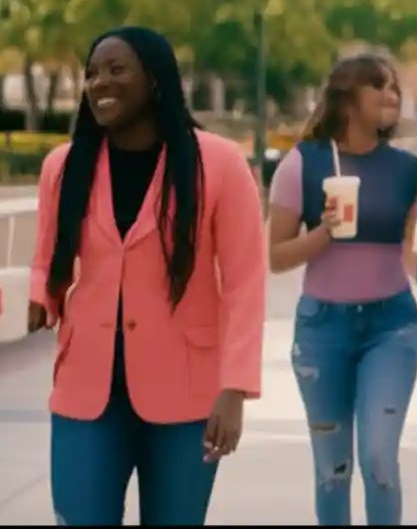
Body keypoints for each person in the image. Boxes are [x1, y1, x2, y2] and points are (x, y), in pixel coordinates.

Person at [27, 26, 267, 526]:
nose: (100, 83)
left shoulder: (216, 163)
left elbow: (245, 282)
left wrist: (235, 387)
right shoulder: (63, 167)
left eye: (117, 70)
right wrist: (31, 300)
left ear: (155, 80)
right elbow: (45, 263)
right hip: (86, 393)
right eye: (92, 73)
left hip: (186, 394)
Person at [267, 53, 417, 526]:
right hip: (322, 330)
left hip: (391, 327)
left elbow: (408, 251)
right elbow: (276, 258)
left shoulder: (410, 170)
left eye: (395, 86)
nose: (391, 95)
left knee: (379, 461)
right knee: (332, 470)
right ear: (346, 96)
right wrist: (323, 234)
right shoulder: (303, 163)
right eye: (378, 85)